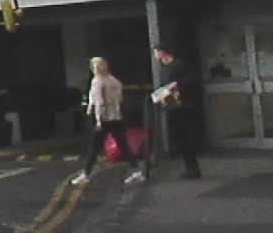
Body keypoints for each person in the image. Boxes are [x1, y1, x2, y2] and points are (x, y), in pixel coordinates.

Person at [71, 57, 145, 186]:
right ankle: (137, 171)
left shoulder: (97, 81)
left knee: (94, 148)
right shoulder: (114, 81)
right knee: (123, 145)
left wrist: (98, 119)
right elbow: (120, 98)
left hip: (104, 118)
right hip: (116, 116)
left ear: (94, 68)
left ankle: (85, 174)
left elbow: (99, 102)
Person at [153, 43, 203, 179]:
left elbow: (192, 79)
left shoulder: (179, 65)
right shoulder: (163, 68)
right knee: (176, 135)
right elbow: (164, 85)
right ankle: (190, 166)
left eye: (156, 52)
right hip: (170, 104)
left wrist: (178, 84)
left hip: (183, 104)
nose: (155, 56)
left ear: (163, 52)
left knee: (183, 135)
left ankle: (192, 167)